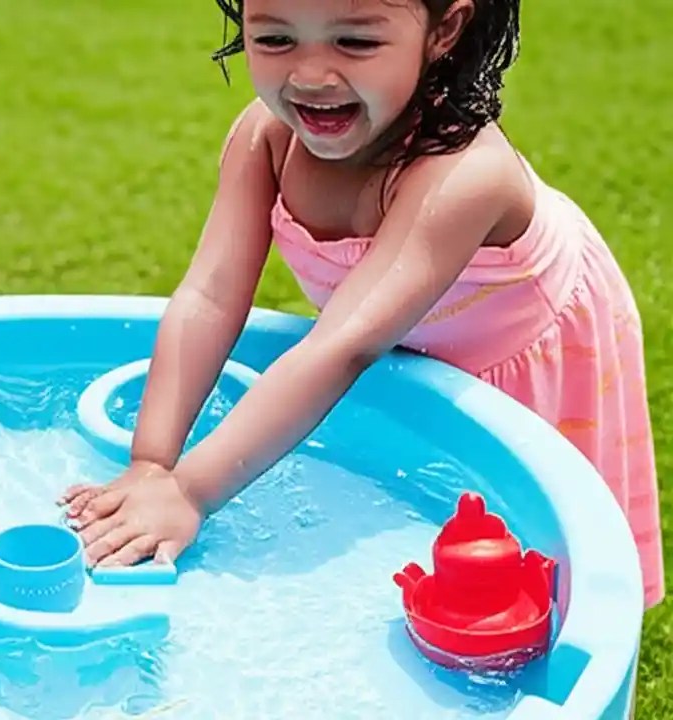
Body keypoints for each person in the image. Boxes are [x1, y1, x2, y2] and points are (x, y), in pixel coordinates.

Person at [60, 0, 664, 612]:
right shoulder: (264, 140)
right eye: (275, 40)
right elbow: (210, 296)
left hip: (521, 346)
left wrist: (189, 492)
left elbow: (340, 346)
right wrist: (151, 463)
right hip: (401, 335)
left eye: (354, 43)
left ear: (444, 31)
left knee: (536, 563)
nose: (310, 76)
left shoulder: (464, 175)